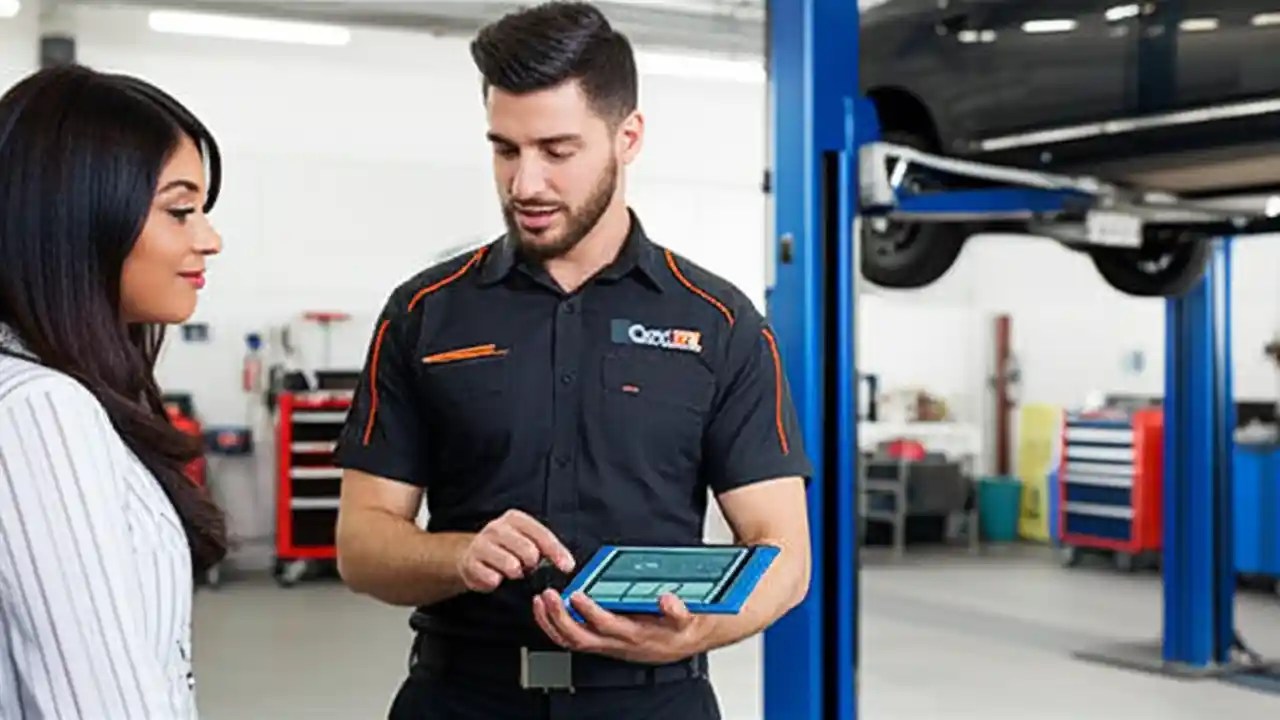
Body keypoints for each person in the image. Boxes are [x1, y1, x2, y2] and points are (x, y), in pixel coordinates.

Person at [333, 2, 812, 718]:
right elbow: (360, 541)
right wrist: (457, 556)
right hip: (462, 696)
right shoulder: (424, 312)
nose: (525, 184)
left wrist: (691, 634)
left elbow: (782, 552)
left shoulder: (719, 324)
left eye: (557, 151)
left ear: (628, 137)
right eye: (505, 149)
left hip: (654, 701)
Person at [0, 65, 227, 719]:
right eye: (180, 210)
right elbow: (100, 702)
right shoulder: (42, 412)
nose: (208, 239)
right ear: (77, 216)